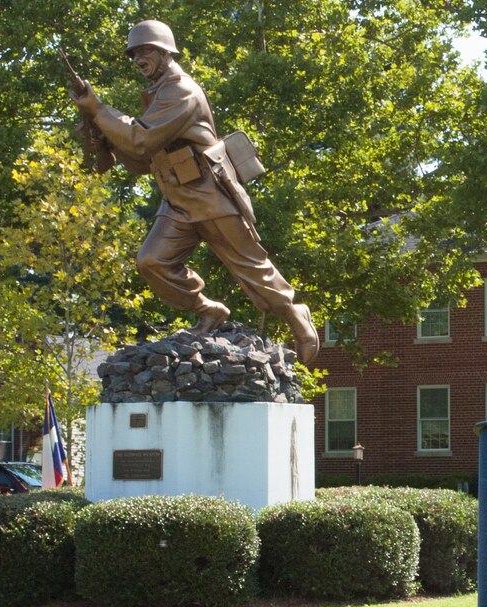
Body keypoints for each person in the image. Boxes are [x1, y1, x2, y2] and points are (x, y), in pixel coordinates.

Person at [69, 20, 319, 364]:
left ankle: (294, 315)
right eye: (135, 53)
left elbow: (141, 140)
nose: (138, 59)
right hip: (177, 200)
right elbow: (141, 160)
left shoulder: (180, 90)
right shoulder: (157, 95)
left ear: (164, 51)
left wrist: (100, 111)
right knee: (153, 261)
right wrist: (100, 132)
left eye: (145, 51)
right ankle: (208, 309)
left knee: (250, 266)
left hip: (208, 194)